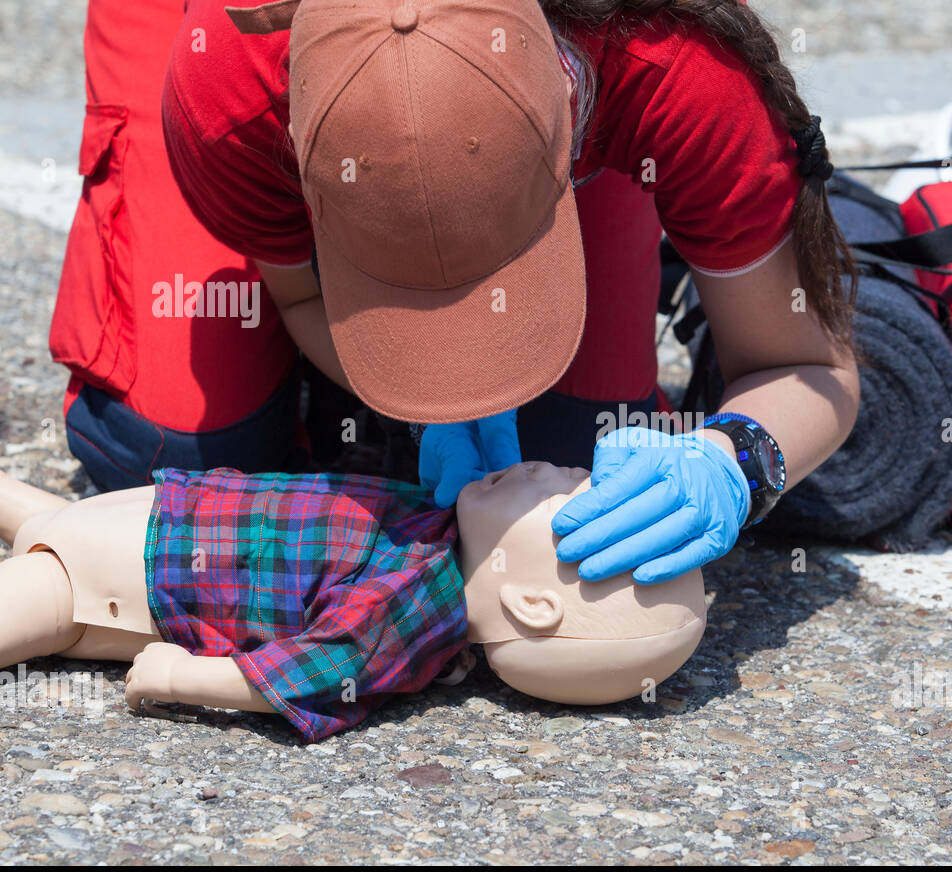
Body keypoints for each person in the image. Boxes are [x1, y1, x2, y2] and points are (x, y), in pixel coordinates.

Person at [59, 0, 862, 588]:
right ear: (299, 140)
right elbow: (301, 296)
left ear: (569, 118)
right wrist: (433, 397)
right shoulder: (231, 88)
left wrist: (736, 461)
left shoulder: (676, 67)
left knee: (574, 452)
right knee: (170, 461)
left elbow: (804, 365)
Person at [0, 462, 707, 740]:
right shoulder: (442, 536)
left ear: (531, 603)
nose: (562, 468)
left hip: (118, 581)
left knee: (35, 592)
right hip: (168, 514)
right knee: (50, 520)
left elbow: (311, 668)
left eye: (565, 496)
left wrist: (185, 678)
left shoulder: (415, 610)